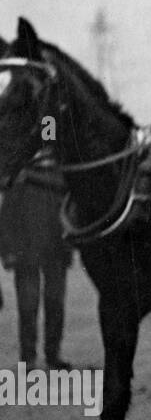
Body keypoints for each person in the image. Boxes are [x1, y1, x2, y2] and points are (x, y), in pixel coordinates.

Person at [0, 151, 73, 370]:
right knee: (28, 307)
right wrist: (9, 251)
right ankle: (29, 358)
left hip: (55, 251)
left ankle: (52, 355)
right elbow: (6, 218)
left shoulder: (62, 179)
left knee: (55, 305)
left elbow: (70, 214)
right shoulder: (20, 179)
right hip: (27, 253)